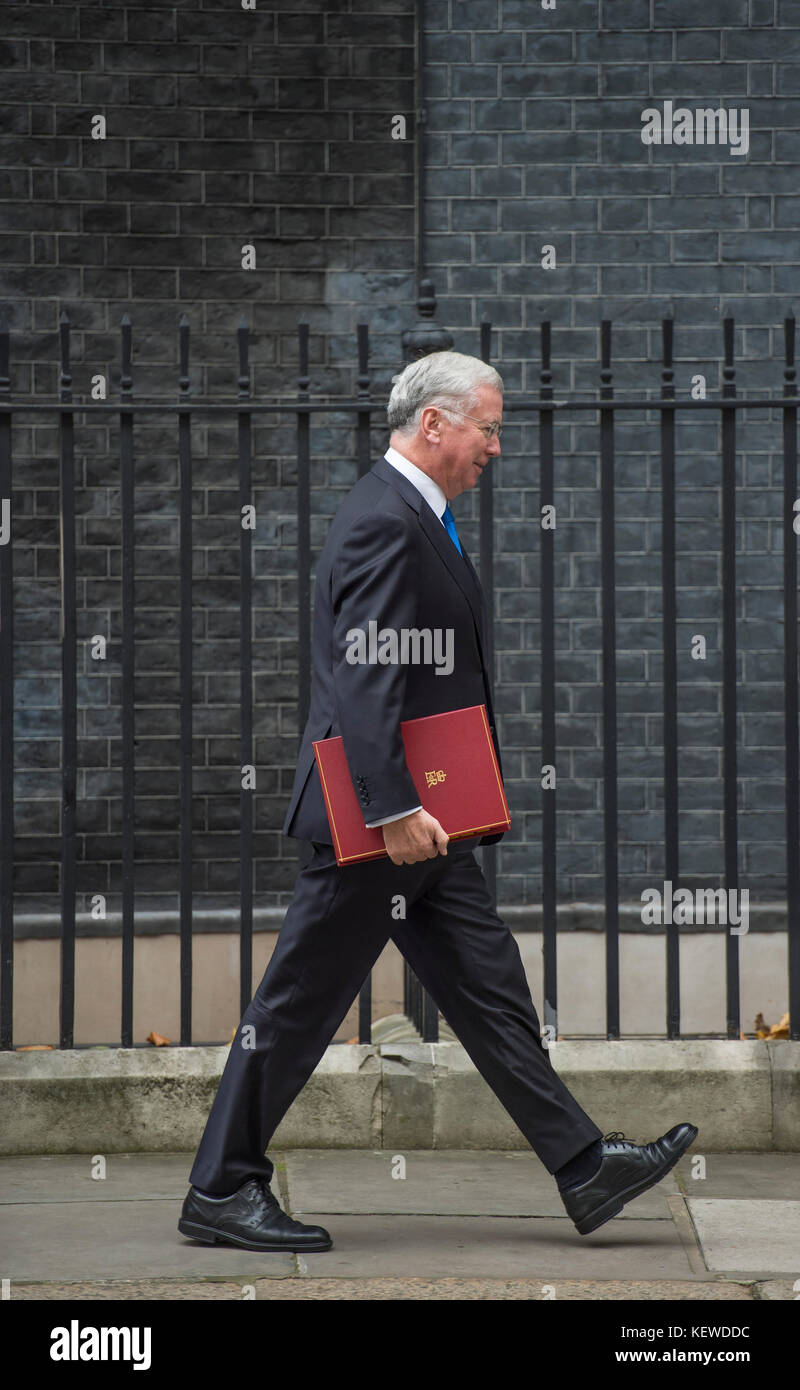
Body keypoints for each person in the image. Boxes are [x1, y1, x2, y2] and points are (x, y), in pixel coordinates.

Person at [178, 350, 697, 1252]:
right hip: (381, 824)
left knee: (490, 987)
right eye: (487, 427)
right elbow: (367, 671)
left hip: (422, 822)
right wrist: (388, 805)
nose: (495, 445)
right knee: (299, 1000)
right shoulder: (387, 519)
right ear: (434, 424)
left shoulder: (421, 515)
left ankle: (583, 1166)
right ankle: (222, 1187)